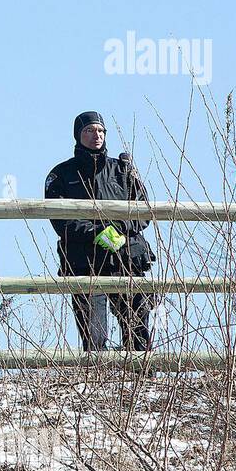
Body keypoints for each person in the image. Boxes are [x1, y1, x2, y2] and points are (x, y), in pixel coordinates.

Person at [44, 111, 155, 351]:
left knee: (138, 331)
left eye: (101, 131)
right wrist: (97, 233)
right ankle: (96, 384)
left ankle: (143, 383)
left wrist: (117, 232)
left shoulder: (123, 170)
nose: (97, 135)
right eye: (89, 130)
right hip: (86, 264)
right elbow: (61, 221)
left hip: (125, 260)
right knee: (94, 337)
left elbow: (143, 211)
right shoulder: (61, 175)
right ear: (78, 135)